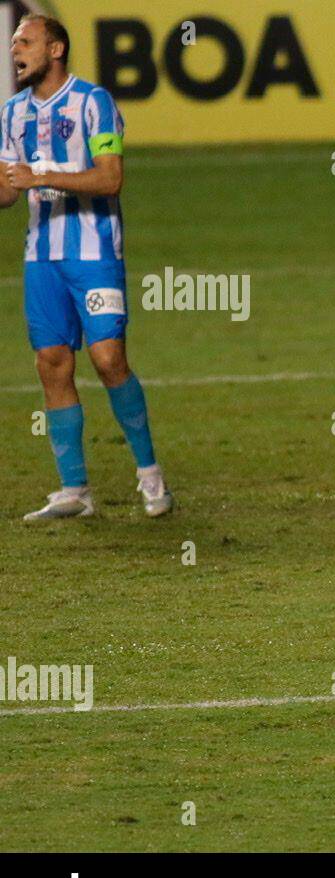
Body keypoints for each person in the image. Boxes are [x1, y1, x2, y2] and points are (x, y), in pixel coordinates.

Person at [0, 14, 173, 521]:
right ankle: (74, 490)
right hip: (42, 257)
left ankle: (149, 474)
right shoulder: (11, 113)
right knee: (52, 363)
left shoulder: (93, 102)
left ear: (55, 49)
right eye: (13, 45)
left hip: (95, 252)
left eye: (25, 42)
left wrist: (41, 176)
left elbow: (111, 179)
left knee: (107, 360)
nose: (16, 52)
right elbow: (11, 191)